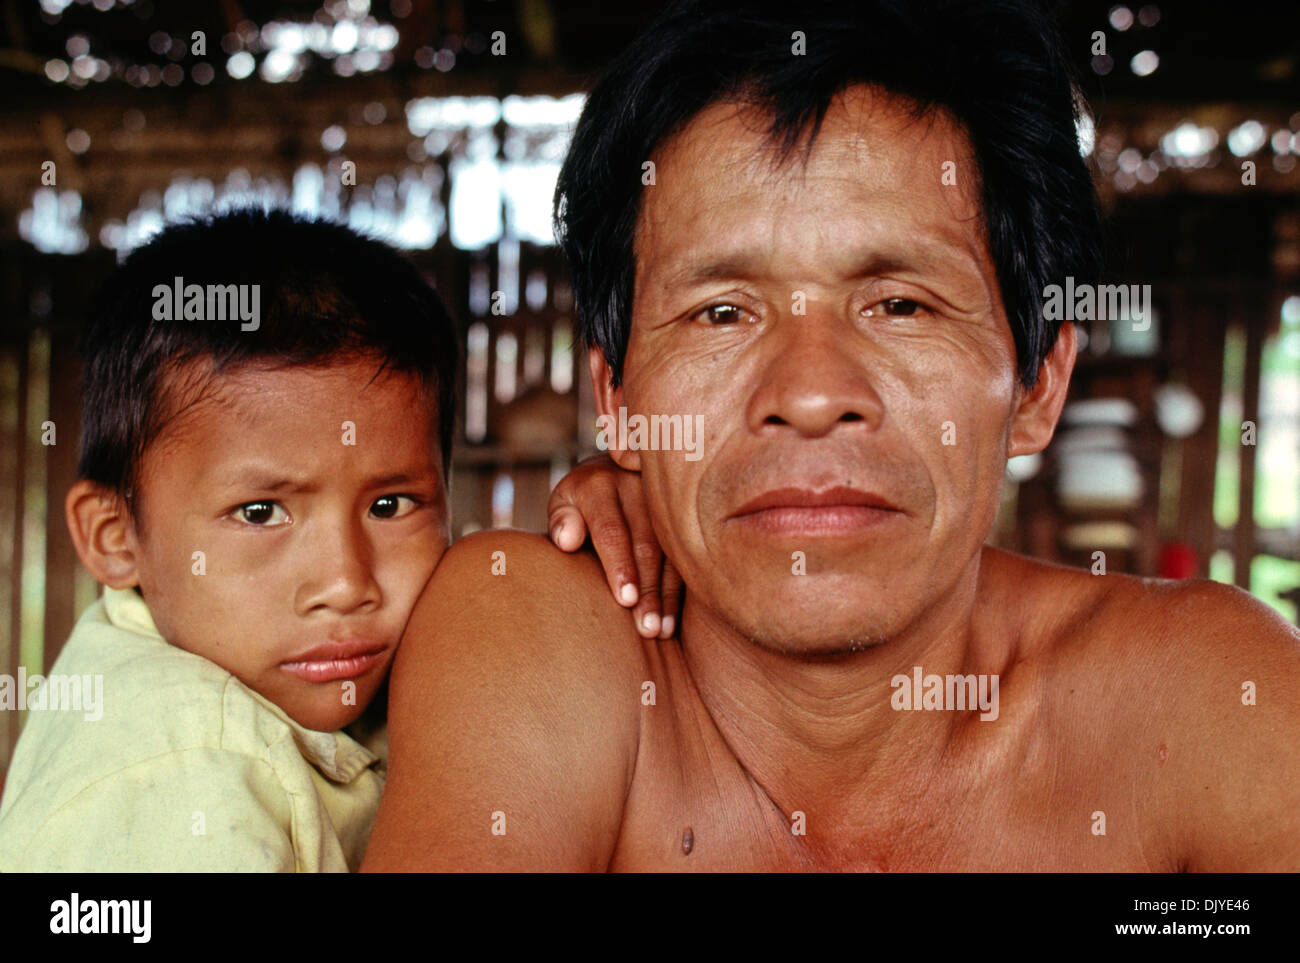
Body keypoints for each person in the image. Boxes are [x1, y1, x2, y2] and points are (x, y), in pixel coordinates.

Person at [363, 0, 1300, 871]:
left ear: (1036, 385)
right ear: (617, 400)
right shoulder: (537, 634)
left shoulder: (1204, 699)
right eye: (722, 312)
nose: (810, 395)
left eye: (899, 304)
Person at [0, 209, 676, 871]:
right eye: (261, 512)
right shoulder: (177, 776)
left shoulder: (307, 680)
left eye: (390, 504)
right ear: (114, 536)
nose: (347, 582)